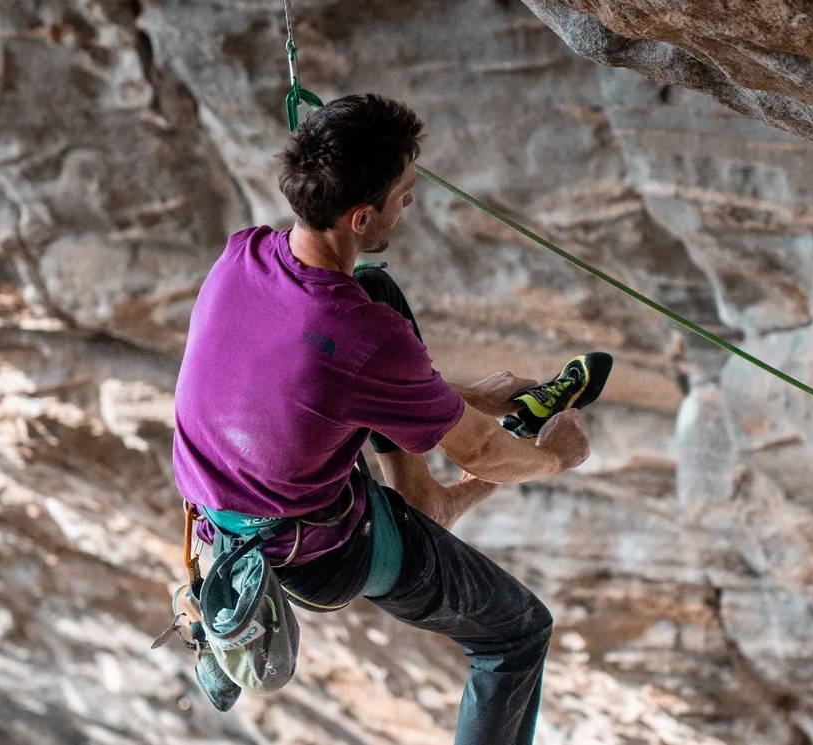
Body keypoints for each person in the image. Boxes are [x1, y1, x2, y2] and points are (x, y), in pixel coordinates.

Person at [172, 93, 591, 745]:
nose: (412, 202)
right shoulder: (360, 339)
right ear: (361, 215)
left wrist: (463, 394)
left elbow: (323, 369)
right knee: (517, 634)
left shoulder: (243, 256)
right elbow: (479, 452)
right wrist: (558, 453)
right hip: (321, 547)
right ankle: (426, 510)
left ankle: (412, 499)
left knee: (377, 290)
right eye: (405, 193)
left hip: (221, 509)